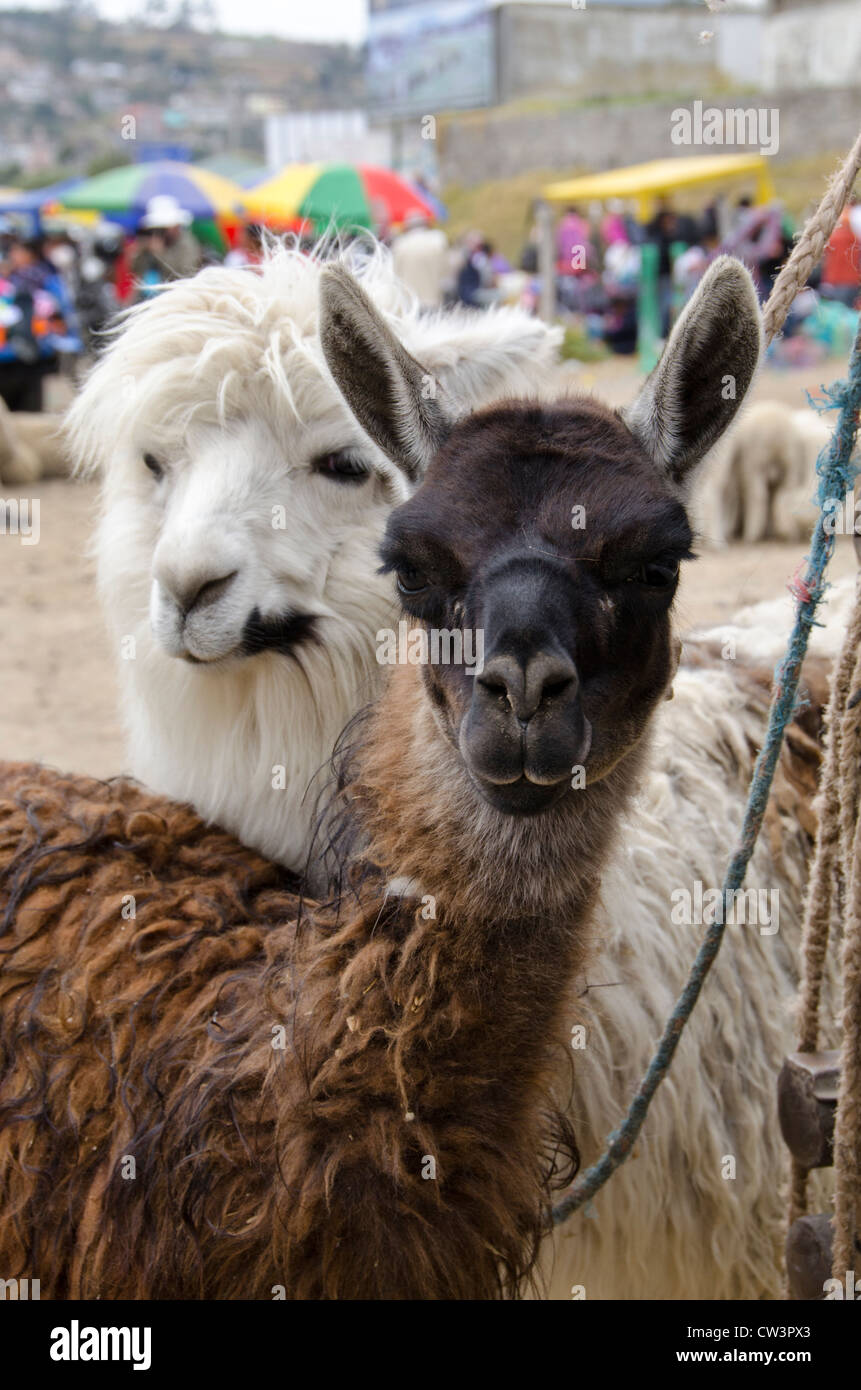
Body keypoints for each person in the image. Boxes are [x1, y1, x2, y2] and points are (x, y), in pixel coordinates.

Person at [131, 195, 201, 300]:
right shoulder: (154, 241)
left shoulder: (186, 244)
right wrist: (140, 250)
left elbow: (183, 273)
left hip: (176, 298)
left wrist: (160, 253)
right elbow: (136, 270)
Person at [392, 211, 448, 310]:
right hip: (434, 300)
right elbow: (445, 272)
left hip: (410, 303)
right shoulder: (437, 241)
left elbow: (396, 275)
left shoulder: (400, 244)